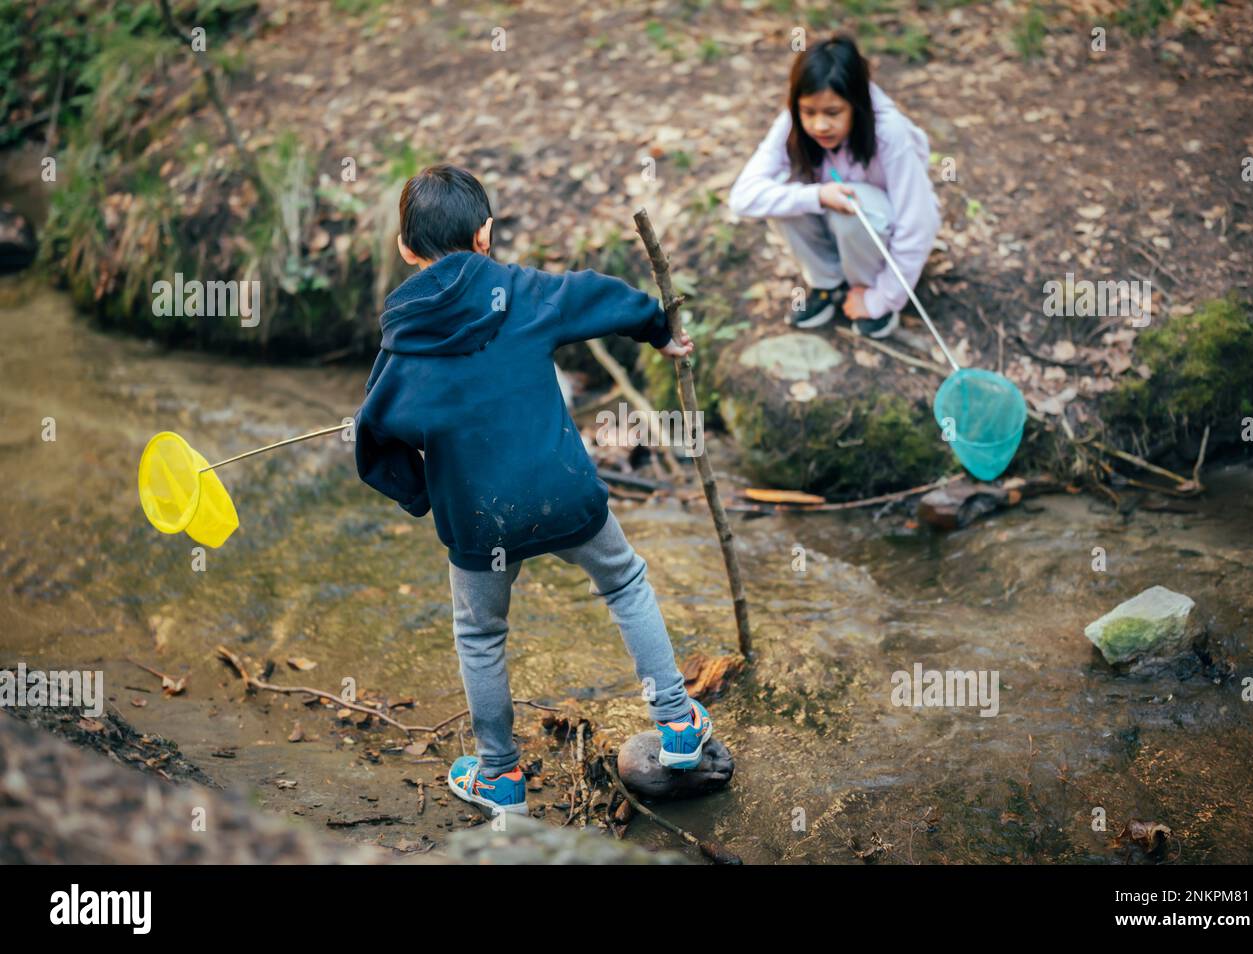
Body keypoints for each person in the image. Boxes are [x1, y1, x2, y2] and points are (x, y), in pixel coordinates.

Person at [353, 164, 716, 816]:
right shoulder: (518, 291)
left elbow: (373, 438)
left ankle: (500, 777)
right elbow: (593, 295)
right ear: (485, 234)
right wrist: (658, 329)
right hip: (564, 492)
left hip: (479, 519)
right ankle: (679, 725)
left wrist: (421, 492)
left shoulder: (401, 343)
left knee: (481, 635)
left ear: (406, 249)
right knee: (626, 583)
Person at [728, 34, 941, 339]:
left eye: (833, 113)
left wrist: (884, 297)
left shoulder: (889, 133)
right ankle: (828, 282)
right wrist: (815, 196)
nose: (819, 126)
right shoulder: (792, 123)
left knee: (853, 205)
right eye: (809, 112)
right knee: (784, 192)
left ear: (856, 104)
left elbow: (919, 222)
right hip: (837, 223)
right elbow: (742, 197)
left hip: (879, 228)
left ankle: (867, 289)